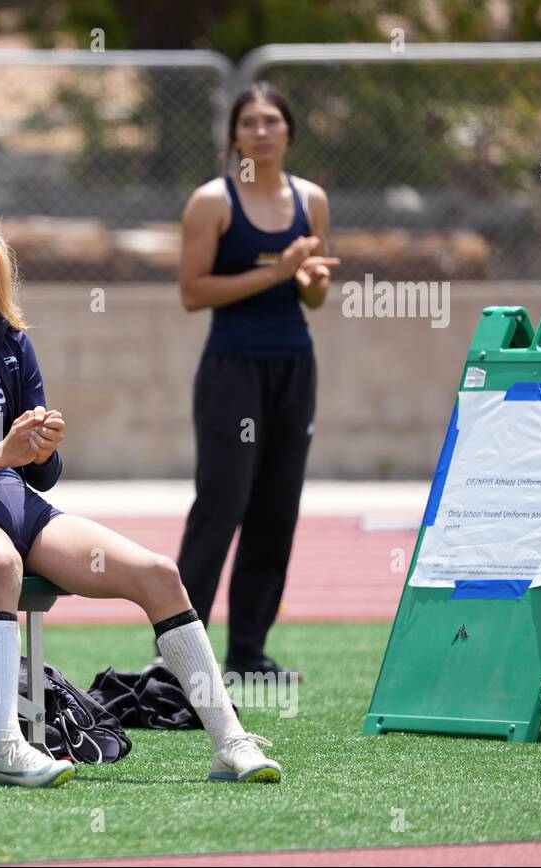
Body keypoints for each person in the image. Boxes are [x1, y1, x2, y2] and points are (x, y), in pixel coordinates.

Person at [0, 204, 284, 786]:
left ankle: (230, 742)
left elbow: (43, 476)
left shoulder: (9, 343)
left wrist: (40, 449)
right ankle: (8, 747)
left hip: (17, 505)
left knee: (159, 572)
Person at [176, 83, 338, 681]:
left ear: (289, 133)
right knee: (222, 505)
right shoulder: (211, 202)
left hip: (294, 366)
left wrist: (308, 277)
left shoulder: (311, 199)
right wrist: (278, 272)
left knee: (277, 508)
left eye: (273, 121)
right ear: (234, 136)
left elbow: (315, 295)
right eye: (250, 123)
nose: (262, 132)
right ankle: (177, 655)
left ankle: (248, 653)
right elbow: (193, 293)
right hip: (231, 371)